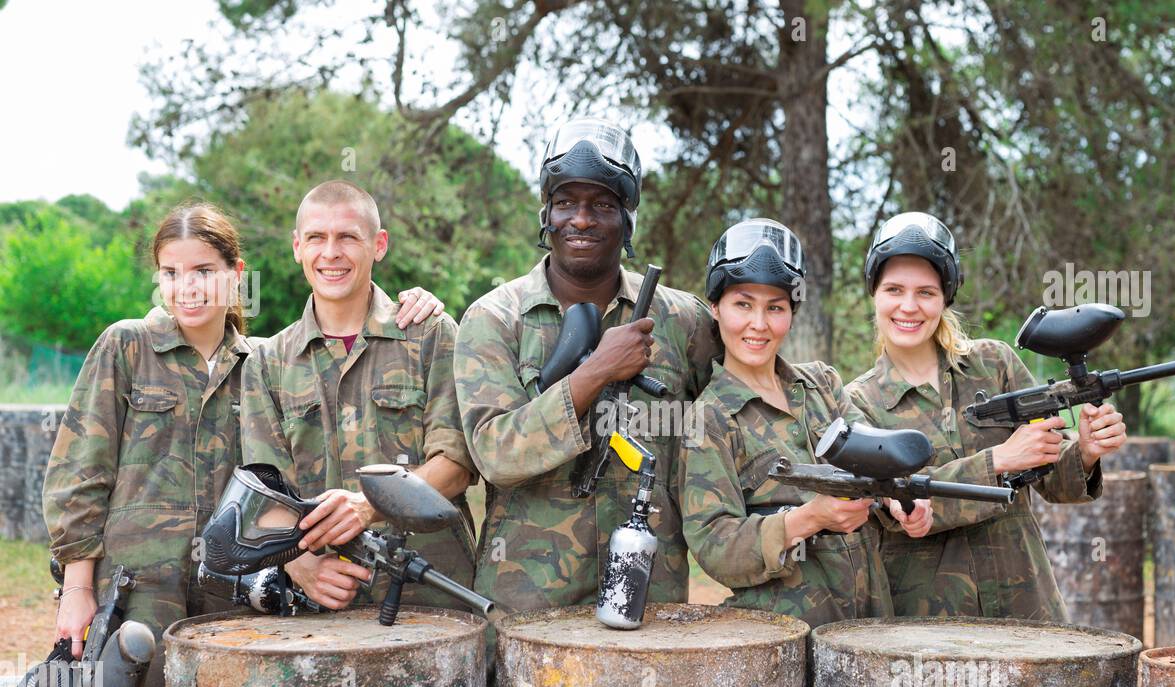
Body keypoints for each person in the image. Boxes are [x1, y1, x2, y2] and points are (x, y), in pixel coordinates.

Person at [42, 202, 254, 687]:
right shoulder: (127, 346)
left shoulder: (265, 364)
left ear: (234, 275)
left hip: (234, 598)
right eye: (171, 272)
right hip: (139, 597)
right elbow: (81, 471)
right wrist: (78, 590)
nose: (187, 287)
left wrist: (419, 305)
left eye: (203, 271)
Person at [454, 117, 720, 612]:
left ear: (627, 222)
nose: (581, 219)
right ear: (545, 217)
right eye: (565, 204)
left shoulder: (683, 319)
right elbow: (495, 454)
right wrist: (595, 372)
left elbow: (732, 422)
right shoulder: (494, 320)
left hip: (649, 599)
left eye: (602, 205)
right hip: (528, 606)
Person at [844, 211, 1128, 620]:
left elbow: (1055, 482)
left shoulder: (993, 363)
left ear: (946, 298)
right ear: (874, 294)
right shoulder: (858, 402)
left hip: (1025, 602)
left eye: (926, 292)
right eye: (894, 290)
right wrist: (997, 461)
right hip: (927, 623)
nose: (909, 306)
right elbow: (890, 509)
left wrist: (1084, 451)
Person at [679, 219, 931, 626]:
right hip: (781, 638)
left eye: (775, 308)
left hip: (869, 624)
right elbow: (714, 545)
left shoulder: (821, 384)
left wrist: (902, 501)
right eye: (743, 304)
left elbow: (873, 458)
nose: (759, 324)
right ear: (715, 308)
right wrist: (808, 519)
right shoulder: (708, 419)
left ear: (791, 314)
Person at [240, 180, 475, 612]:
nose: (331, 252)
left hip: (431, 596)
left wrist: (369, 506)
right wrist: (299, 565)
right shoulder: (267, 363)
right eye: (316, 238)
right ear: (297, 247)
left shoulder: (431, 337)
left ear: (378, 244)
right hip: (321, 603)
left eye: (348, 236)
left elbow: (456, 466)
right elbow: (264, 493)